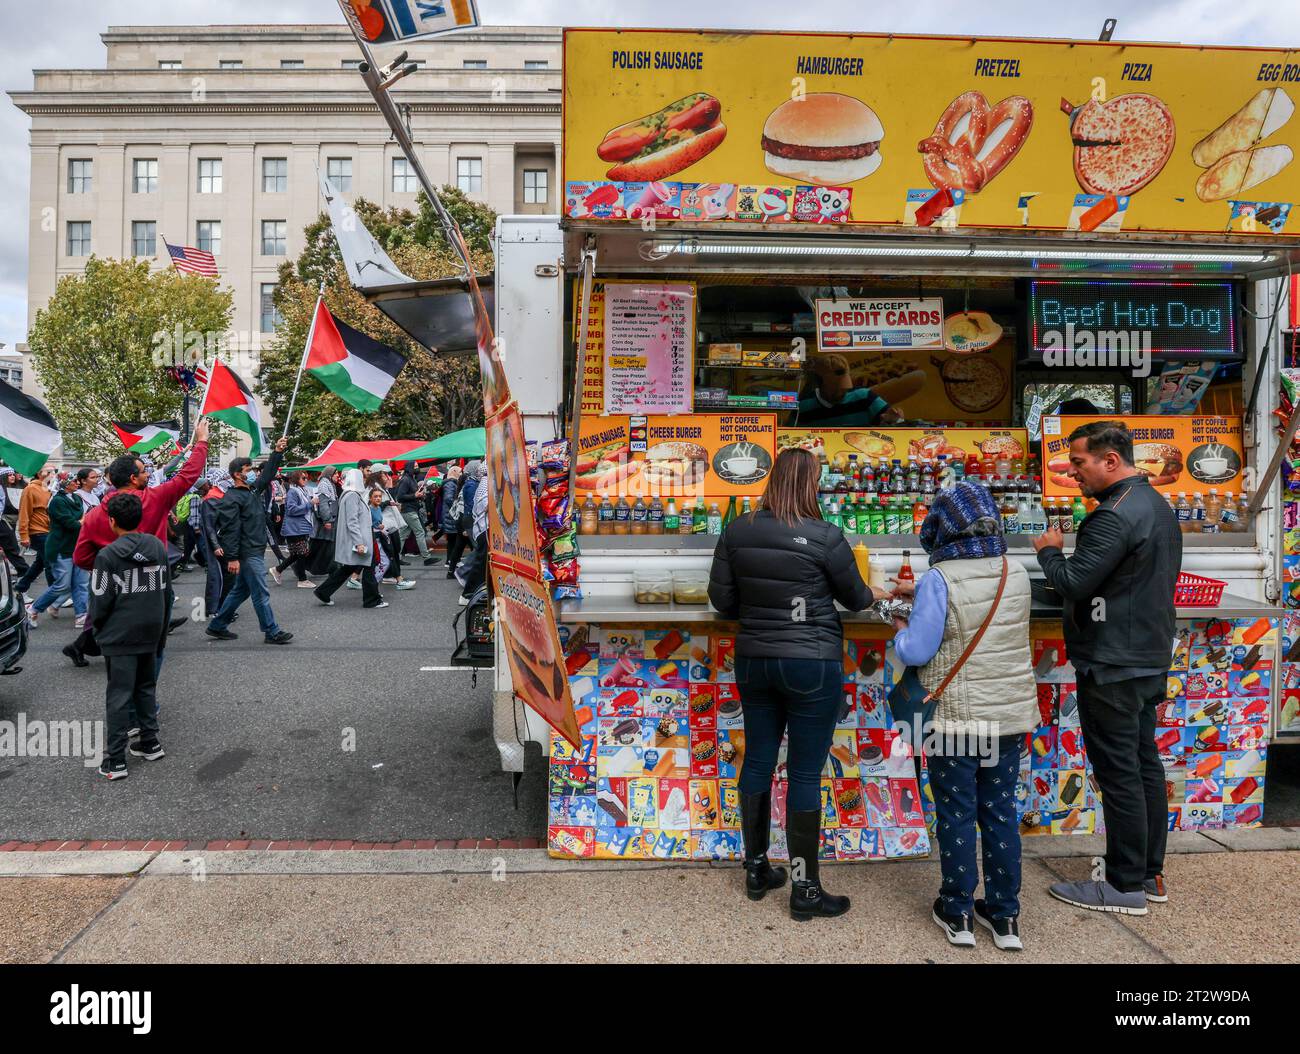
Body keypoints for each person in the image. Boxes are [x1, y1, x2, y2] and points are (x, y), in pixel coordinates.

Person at [707, 447, 884, 920]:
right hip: (812, 665)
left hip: (756, 662)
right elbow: (857, 598)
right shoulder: (826, 536)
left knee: (759, 760)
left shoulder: (738, 530)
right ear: (811, 484)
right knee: (804, 773)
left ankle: (757, 870)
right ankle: (805, 890)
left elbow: (721, 602)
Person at [1032, 421, 1181, 915]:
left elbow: (1074, 581)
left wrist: (1049, 550)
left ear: (1110, 461)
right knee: (1142, 766)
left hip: (1113, 660)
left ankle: (1122, 885)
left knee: (1119, 773)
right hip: (1147, 655)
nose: (1073, 472)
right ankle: (1148, 874)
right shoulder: (1156, 506)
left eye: (1079, 463)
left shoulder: (1112, 515)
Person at [890, 481, 1037, 951]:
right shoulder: (1015, 571)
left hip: (955, 720)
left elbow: (917, 649)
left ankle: (956, 913)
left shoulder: (940, 578)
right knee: (1000, 813)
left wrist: (900, 626)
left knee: (955, 813)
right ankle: (1004, 916)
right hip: (1009, 714)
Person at [73, 419, 210, 661]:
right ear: (134, 479)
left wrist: (108, 566)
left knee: (119, 655)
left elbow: (82, 557)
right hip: (152, 586)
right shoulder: (154, 500)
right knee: (152, 648)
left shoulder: (94, 515)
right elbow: (188, 476)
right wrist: (202, 442)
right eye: (144, 470)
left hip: (114, 591)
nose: (148, 473)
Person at [89, 492, 171, 780]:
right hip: (151, 627)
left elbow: (100, 599)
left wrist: (97, 628)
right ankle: (150, 742)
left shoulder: (107, 555)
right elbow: (167, 591)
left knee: (119, 694)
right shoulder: (157, 546)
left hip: (119, 632)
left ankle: (115, 760)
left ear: (111, 521)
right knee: (145, 688)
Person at [204, 440, 293, 645]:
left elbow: (268, 475)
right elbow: (230, 531)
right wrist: (232, 557)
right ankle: (271, 631)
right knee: (261, 592)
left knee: (240, 591)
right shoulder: (231, 498)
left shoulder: (252, 491)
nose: (252, 472)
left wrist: (277, 452)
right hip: (247, 553)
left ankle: (217, 626)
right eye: (248, 469)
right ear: (237, 474)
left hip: (254, 549)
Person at [26, 477, 90, 637]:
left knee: (81, 583)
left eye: (76, 481)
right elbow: (71, 523)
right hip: (60, 548)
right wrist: (83, 520)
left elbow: (76, 520)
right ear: (64, 484)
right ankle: (33, 609)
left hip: (77, 547)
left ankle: (81, 615)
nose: (77, 483)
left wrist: (80, 521)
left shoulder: (76, 498)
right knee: (62, 585)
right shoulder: (57, 501)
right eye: (73, 481)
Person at [313, 469, 385, 609]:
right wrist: (359, 543)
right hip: (361, 539)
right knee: (369, 567)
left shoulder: (349, 494)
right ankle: (371, 600)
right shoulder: (352, 495)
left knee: (349, 568)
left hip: (358, 539)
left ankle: (323, 591)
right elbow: (352, 521)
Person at [794, 353, 905, 427]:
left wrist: (895, 420)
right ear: (820, 383)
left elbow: (891, 420)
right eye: (836, 388)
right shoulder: (804, 406)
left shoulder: (864, 396)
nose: (842, 392)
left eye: (845, 387)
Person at [16, 465, 56, 595]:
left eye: (54, 471)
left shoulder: (49, 489)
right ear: (39, 473)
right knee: (50, 563)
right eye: (49, 471)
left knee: (40, 563)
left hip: (48, 531)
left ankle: (20, 588)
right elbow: (24, 513)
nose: (53, 473)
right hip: (37, 532)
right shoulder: (30, 489)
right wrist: (24, 535)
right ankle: (54, 595)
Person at [271, 470, 315, 587]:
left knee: (298, 553)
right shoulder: (293, 492)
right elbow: (291, 510)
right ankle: (302, 580)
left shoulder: (301, 490)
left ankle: (278, 570)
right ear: (296, 479)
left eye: (306, 478)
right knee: (300, 553)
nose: (306, 480)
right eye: (303, 478)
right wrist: (310, 503)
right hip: (294, 528)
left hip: (298, 527)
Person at [198, 473, 233, 619]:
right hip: (220, 543)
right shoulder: (212, 498)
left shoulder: (220, 494)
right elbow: (209, 526)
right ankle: (218, 608)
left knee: (228, 577)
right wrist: (215, 545)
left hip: (225, 541)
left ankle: (222, 607)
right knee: (222, 576)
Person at [455, 466, 490, 605]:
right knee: (480, 560)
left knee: (482, 559)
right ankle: (467, 593)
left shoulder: (483, 483)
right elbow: (483, 505)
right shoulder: (484, 484)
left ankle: (473, 590)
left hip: (484, 527)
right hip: (484, 528)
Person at [394, 461, 439, 565]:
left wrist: (420, 495)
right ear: (410, 468)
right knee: (420, 532)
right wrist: (415, 496)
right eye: (415, 466)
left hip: (410, 510)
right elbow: (400, 497)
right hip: (409, 511)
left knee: (403, 535)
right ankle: (426, 557)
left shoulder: (410, 479)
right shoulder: (406, 480)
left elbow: (410, 495)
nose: (417, 468)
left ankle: (396, 558)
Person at [308, 466, 338, 576]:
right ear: (330, 474)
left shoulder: (329, 484)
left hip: (327, 520)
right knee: (318, 546)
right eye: (335, 474)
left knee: (321, 546)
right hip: (325, 522)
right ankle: (299, 565)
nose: (337, 476)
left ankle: (322, 568)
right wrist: (327, 520)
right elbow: (324, 503)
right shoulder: (324, 484)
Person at [440, 465, 465, 577]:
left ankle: (450, 560)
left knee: (452, 540)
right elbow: (448, 499)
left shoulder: (450, 483)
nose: (461, 474)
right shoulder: (451, 483)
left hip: (448, 515)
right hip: (450, 515)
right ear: (454, 472)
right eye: (460, 472)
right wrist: (456, 506)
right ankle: (452, 560)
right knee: (454, 539)